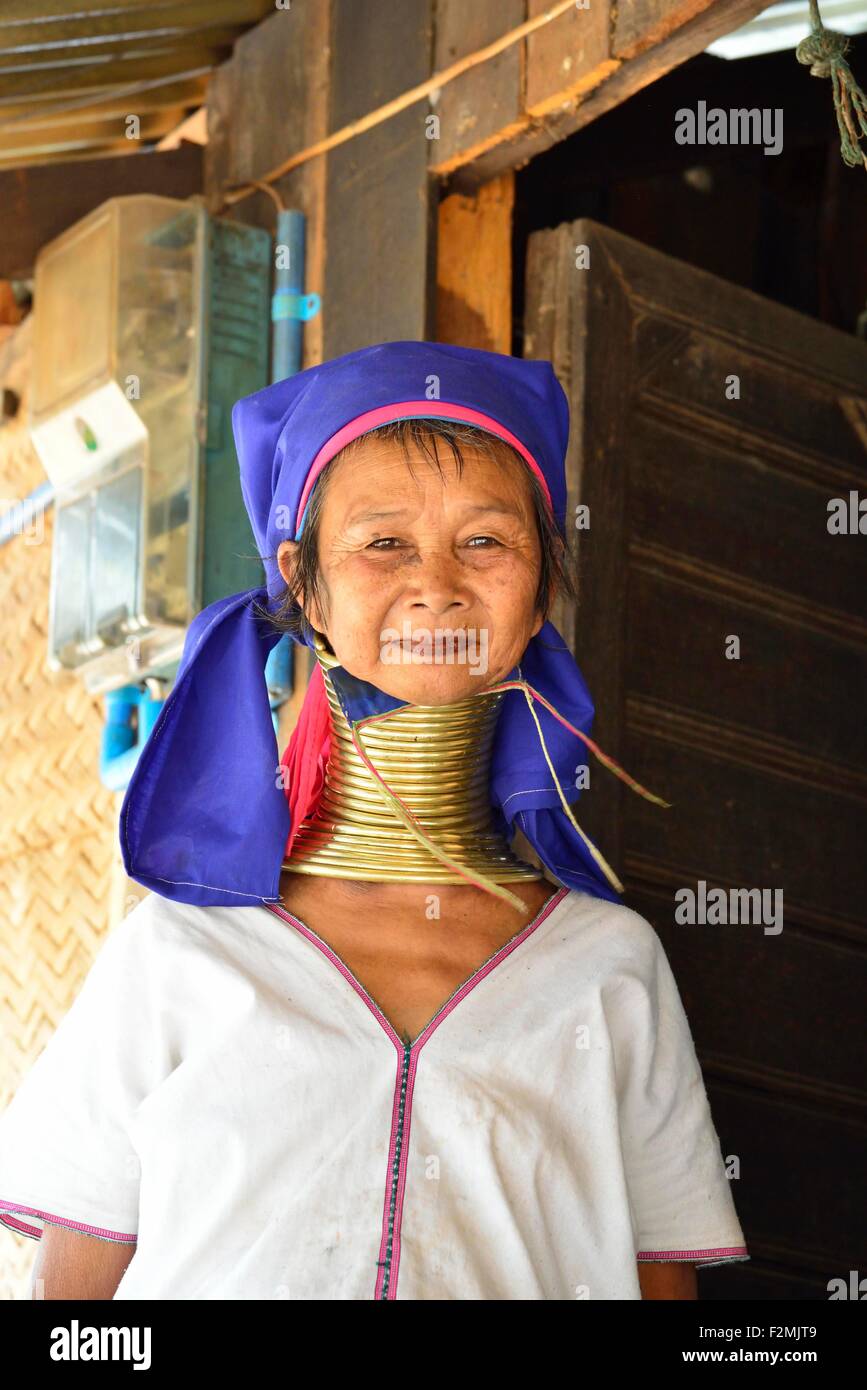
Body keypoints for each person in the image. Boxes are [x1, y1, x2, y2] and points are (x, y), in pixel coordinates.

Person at [0, 342, 748, 1299]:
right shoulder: (180, 953)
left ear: (539, 591)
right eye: (382, 542)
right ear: (301, 584)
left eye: (485, 541)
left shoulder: (609, 967)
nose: (436, 583)